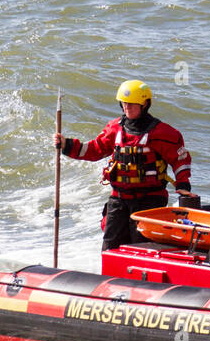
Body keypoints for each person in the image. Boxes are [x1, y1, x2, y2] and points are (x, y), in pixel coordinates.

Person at [55, 80, 193, 250]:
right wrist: (67, 145)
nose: (127, 107)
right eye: (124, 103)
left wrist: (183, 183)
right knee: (110, 247)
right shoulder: (115, 129)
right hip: (119, 199)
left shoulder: (163, 133)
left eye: (132, 104)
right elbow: (94, 150)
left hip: (149, 201)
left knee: (142, 248)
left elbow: (180, 159)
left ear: (145, 104)